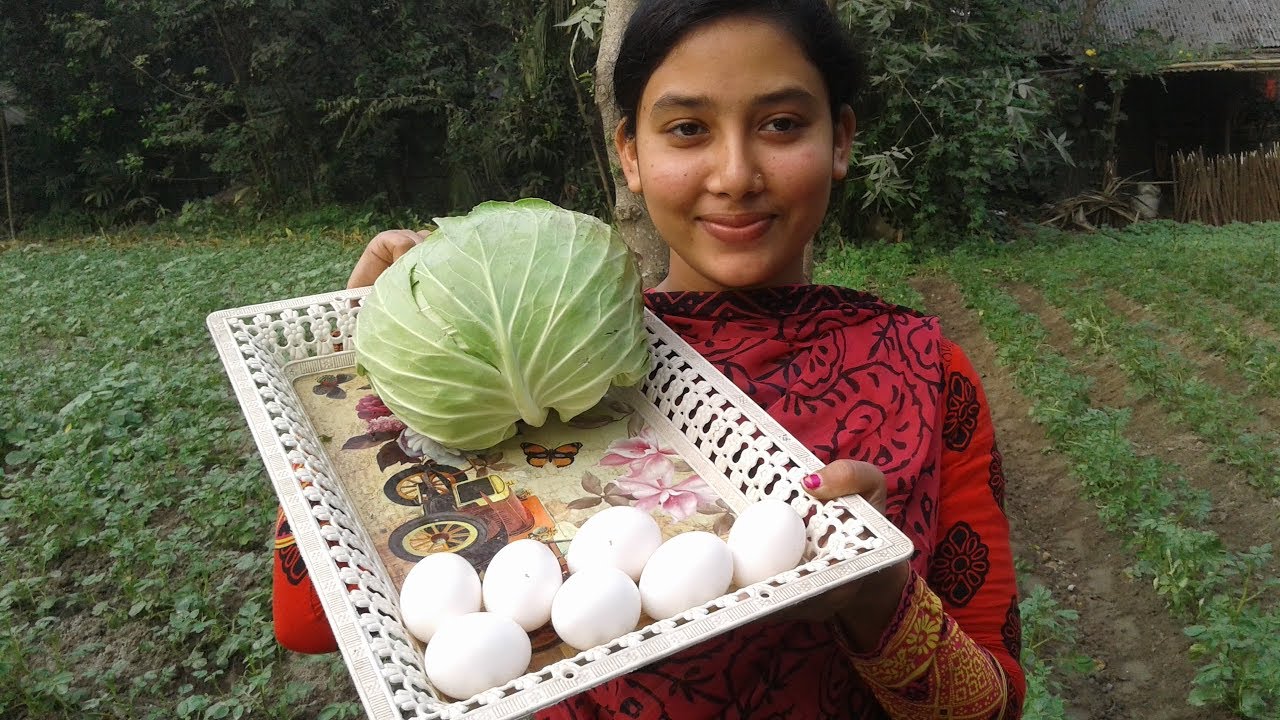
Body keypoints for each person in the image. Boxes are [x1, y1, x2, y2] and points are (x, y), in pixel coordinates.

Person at [274, 0, 1024, 717]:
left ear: (842, 141)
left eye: (783, 124)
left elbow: (992, 707)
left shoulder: (925, 371)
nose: (735, 174)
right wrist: (366, 368)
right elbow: (310, 623)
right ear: (630, 152)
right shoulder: (558, 371)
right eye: (689, 128)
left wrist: (877, 598)